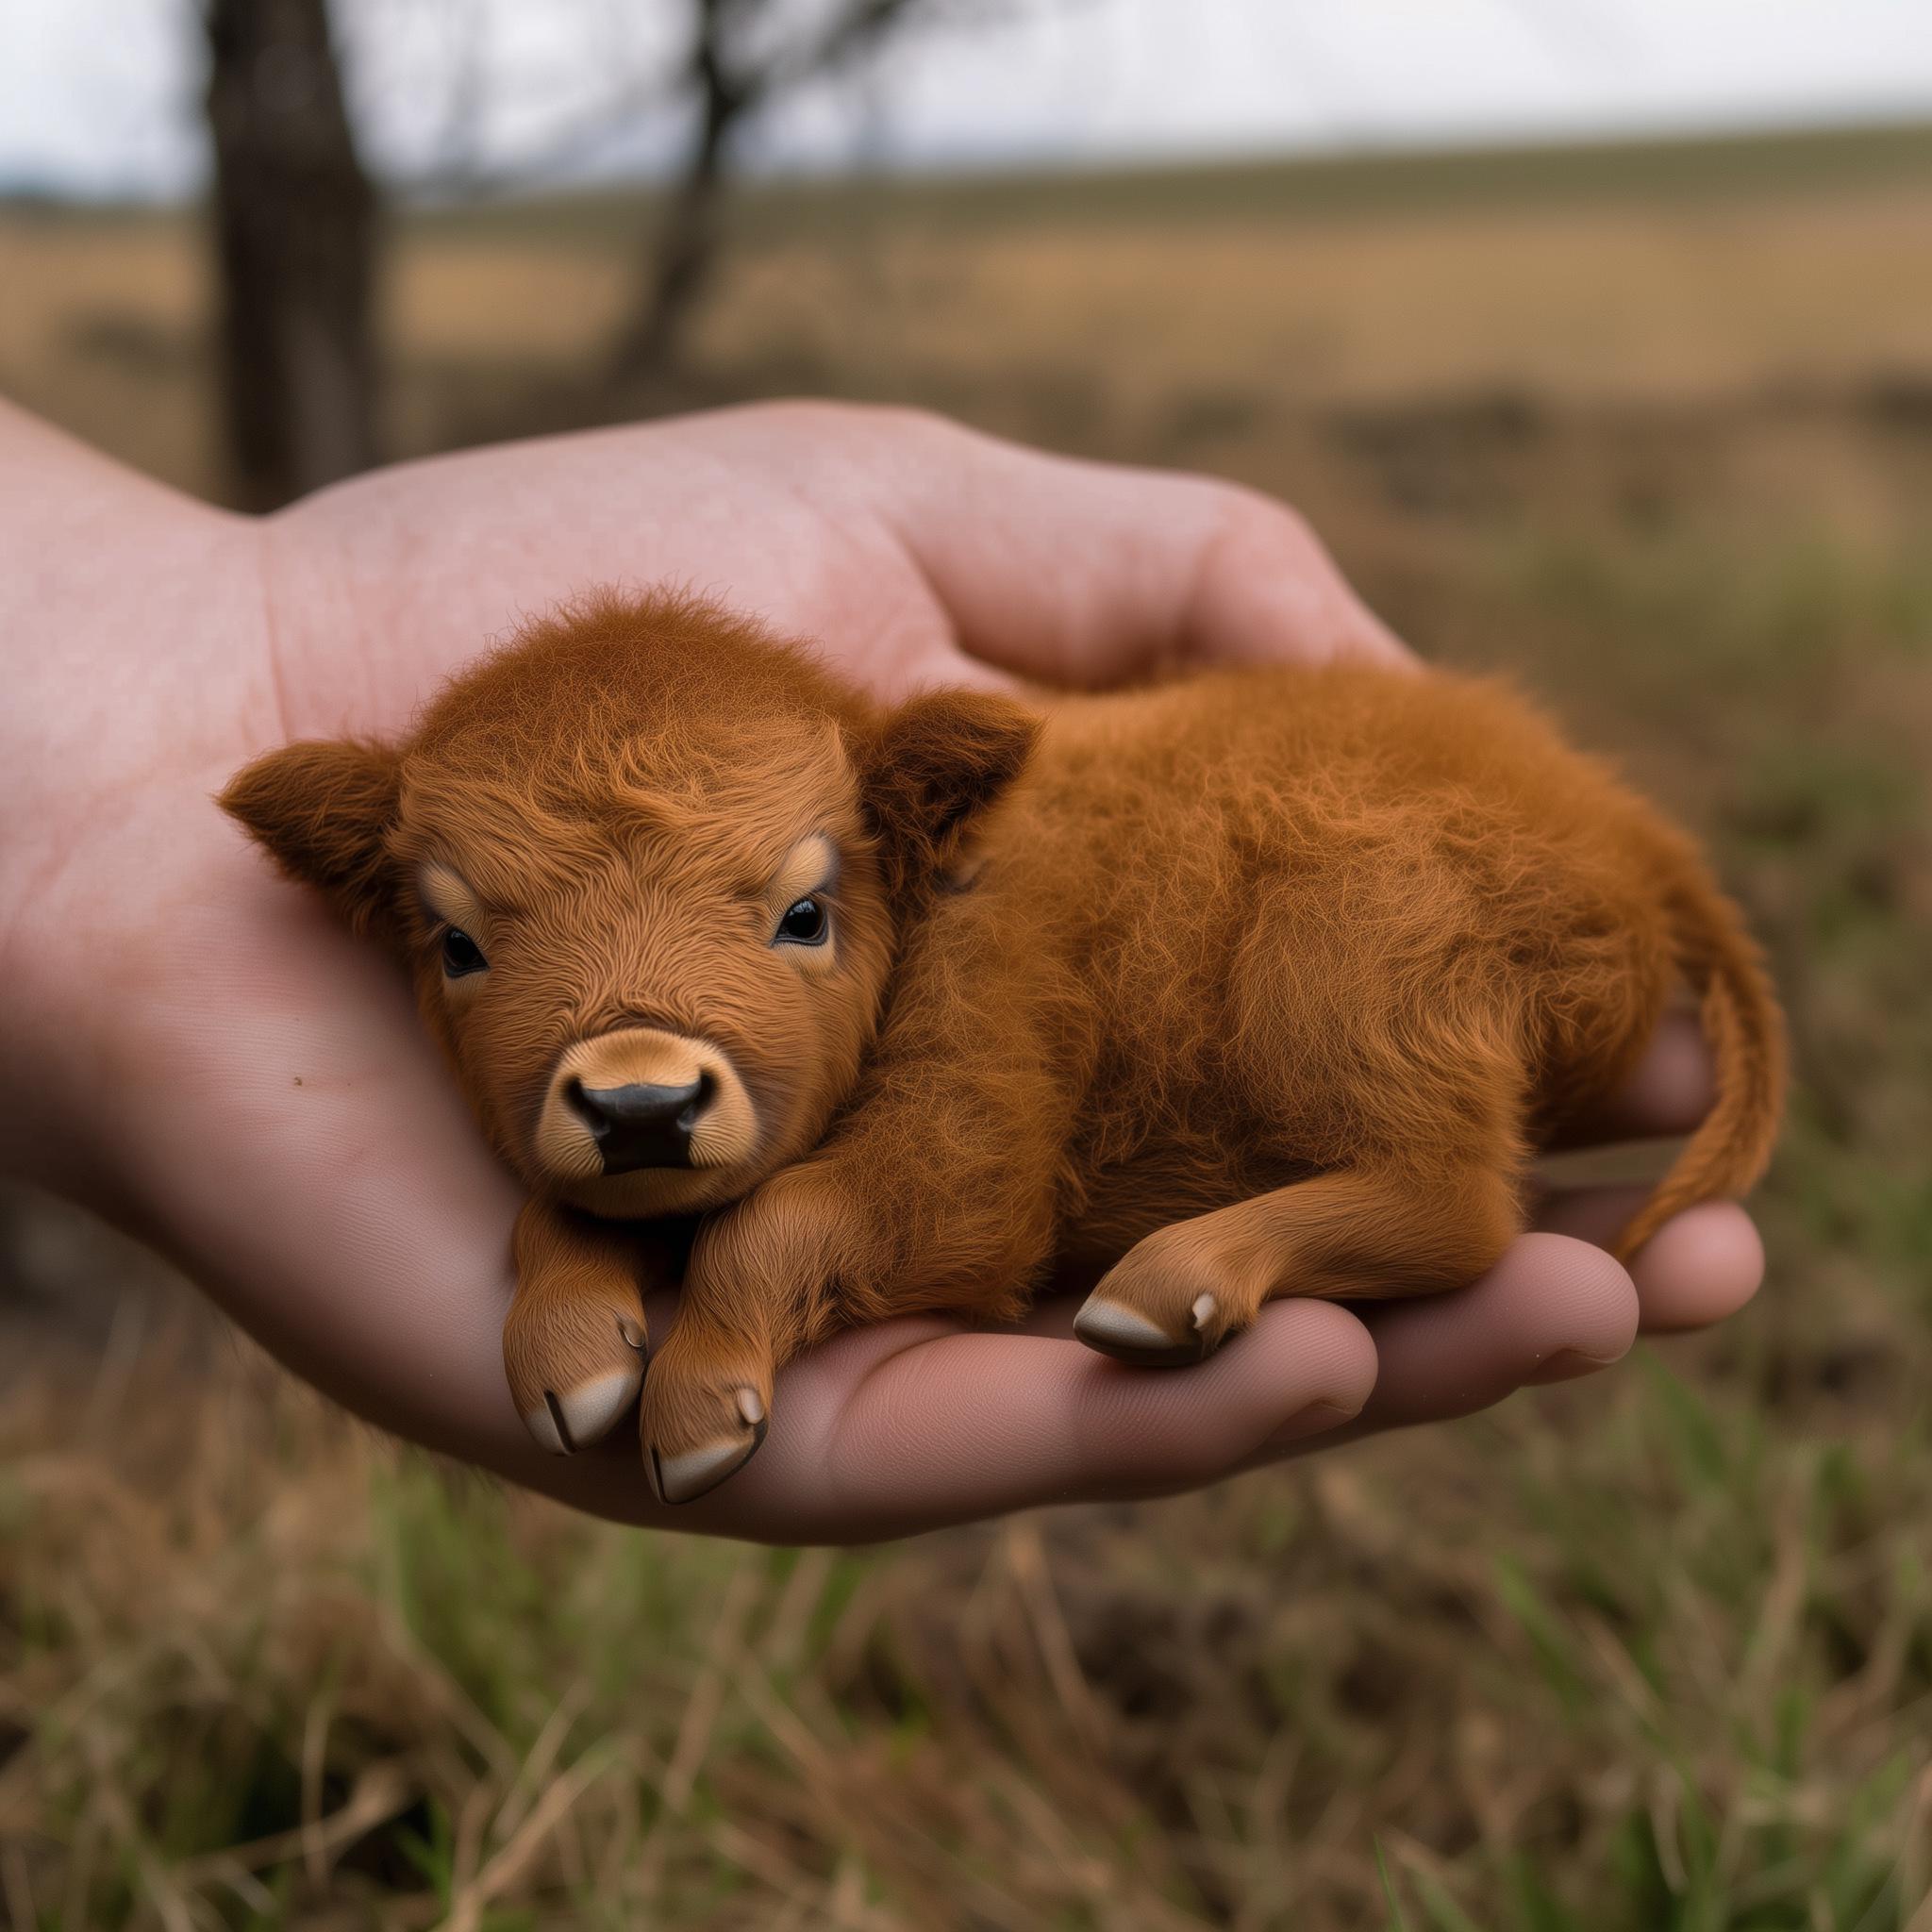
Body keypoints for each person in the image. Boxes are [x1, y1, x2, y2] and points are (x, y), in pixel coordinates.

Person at [0, 396, 1763, 1541]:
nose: (627, 1048)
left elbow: (962, 1199)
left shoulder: (969, 895)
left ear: (910, 832)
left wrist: (753, 1290)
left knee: (1342, 921)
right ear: (384, 904)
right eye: (471, 942)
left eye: (790, 919)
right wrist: (563, 1254)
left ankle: (1400, 1204)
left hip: (1438, 861)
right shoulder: (764, 941)